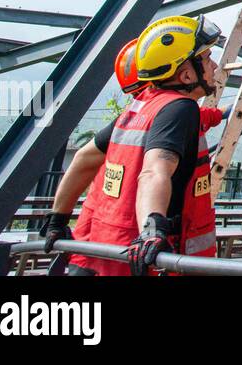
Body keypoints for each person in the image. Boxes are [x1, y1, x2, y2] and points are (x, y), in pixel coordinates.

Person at [39, 17, 222, 275]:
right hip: (140, 264)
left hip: (104, 253)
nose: (214, 66)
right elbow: (155, 170)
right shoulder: (181, 109)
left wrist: (57, 218)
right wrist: (152, 229)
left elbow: (84, 158)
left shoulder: (139, 108)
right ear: (186, 73)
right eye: (206, 58)